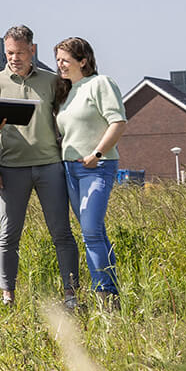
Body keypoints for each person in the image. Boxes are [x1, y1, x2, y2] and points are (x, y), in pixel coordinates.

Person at [0, 25, 79, 309]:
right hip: (11, 169)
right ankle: (7, 296)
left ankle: (71, 294)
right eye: (10, 53)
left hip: (50, 166)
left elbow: (67, 120)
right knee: (8, 235)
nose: (14, 58)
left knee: (62, 233)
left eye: (20, 53)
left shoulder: (52, 81)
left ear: (32, 50)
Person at [52, 37, 127, 308]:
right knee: (95, 232)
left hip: (96, 167)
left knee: (91, 231)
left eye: (65, 60)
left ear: (83, 61)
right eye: (58, 60)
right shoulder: (66, 92)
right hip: (70, 168)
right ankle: (110, 294)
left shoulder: (100, 83)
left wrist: (97, 154)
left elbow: (118, 122)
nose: (60, 65)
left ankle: (106, 295)